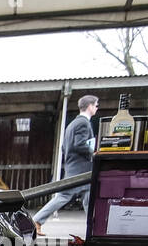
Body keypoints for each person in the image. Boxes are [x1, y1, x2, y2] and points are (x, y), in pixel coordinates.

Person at [32, 95, 99, 232]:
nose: (97, 108)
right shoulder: (83, 123)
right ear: (90, 106)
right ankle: (36, 221)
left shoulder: (72, 124)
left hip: (74, 166)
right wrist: (93, 151)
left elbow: (64, 147)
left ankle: (94, 228)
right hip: (81, 170)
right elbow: (79, 144)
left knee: (87, 199)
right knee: (65, 197)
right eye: (96, 105)